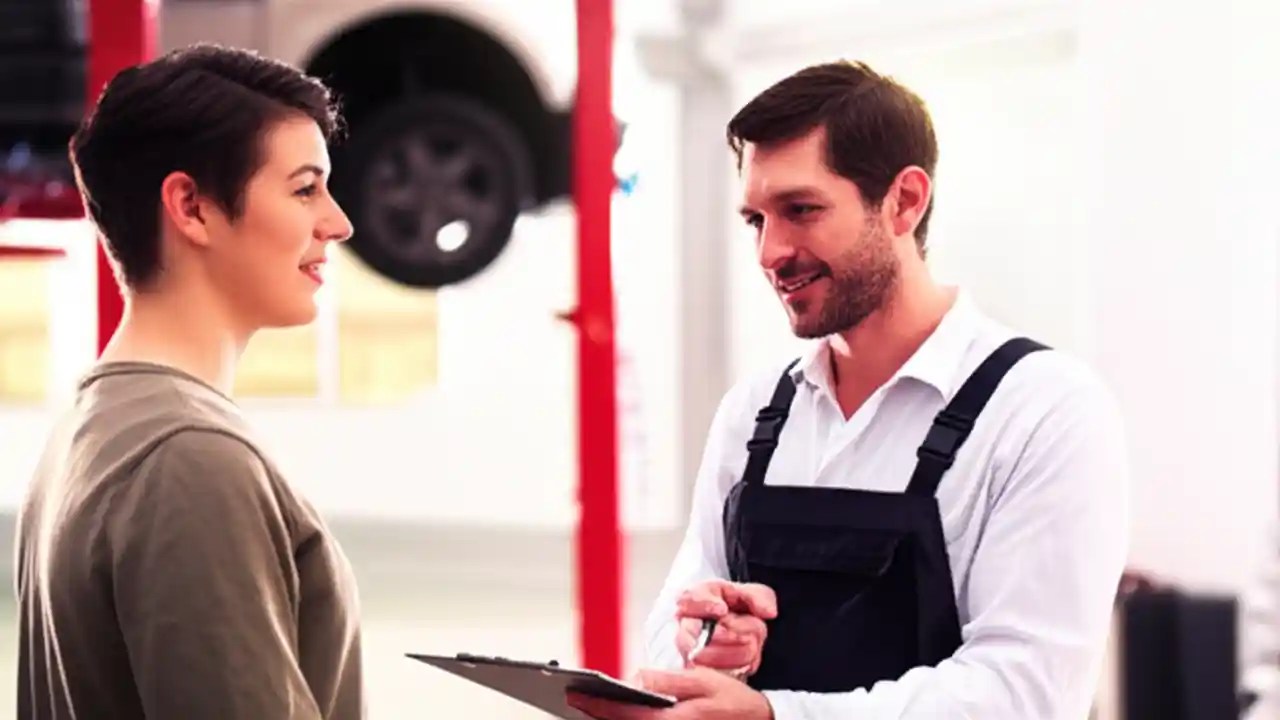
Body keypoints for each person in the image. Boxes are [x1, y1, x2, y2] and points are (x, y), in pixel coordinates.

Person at [570, 60, 1130, 719]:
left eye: (801, 210)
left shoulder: (1043, 412)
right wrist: (711, 645)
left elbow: (1023, 693)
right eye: (755, 220)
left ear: (905, 201)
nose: (770, 252)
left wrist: (777, 716)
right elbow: (672, 629)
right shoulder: (754, 415)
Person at [14, 44, 363, 719]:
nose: (338, 222)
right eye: (304, 188)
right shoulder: (190, 458)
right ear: (191, 207)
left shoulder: (91, 434)